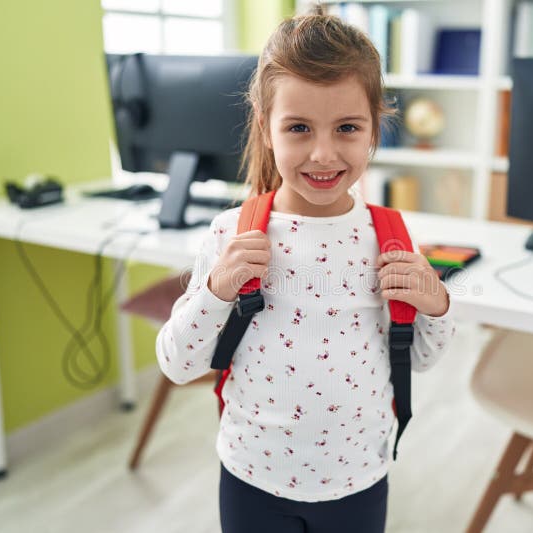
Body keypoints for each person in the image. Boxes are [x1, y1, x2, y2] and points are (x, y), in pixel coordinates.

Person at [155, 8, 456, 533]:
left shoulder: (389, 238)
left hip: (359, 480)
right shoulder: (234, 233)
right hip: (252, 477)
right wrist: (214, 291)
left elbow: (424, 360)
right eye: (298, 127)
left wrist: (437, 306)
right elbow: (177, 364)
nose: (323, 153)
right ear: (266, 130)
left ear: (373, 132)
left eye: (347, 128)